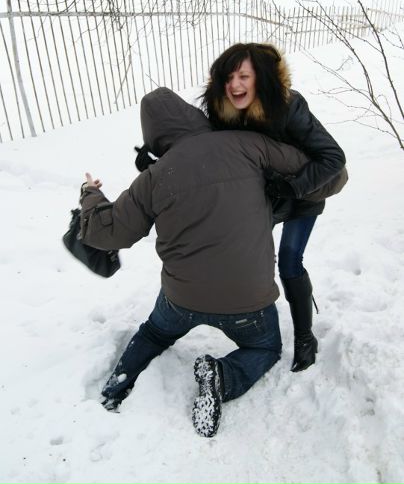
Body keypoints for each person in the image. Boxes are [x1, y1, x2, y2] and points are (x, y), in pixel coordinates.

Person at [79, 87, 332, 438]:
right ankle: (222, 377)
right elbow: (326, 173)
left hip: (181, 299)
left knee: (154, 332)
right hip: (249, 302)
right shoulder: (249, 145)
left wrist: (90, 194)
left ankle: (116, 386)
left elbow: (105, 233)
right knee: (265, 347)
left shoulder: (154, 176)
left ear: (153, 136)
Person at [200, 42, 347, 374]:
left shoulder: (289, 106)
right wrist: (159, 157)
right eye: (228, 77)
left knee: (290, 261)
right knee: (248, 259)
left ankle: (305, 338)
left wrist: (293, 186)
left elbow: (333, 158)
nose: (235, 85)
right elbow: (200, 148)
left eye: (244, 76)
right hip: (263, 198)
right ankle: (255, 333)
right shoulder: (223, 112)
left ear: (261, 78)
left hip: (303, 193)